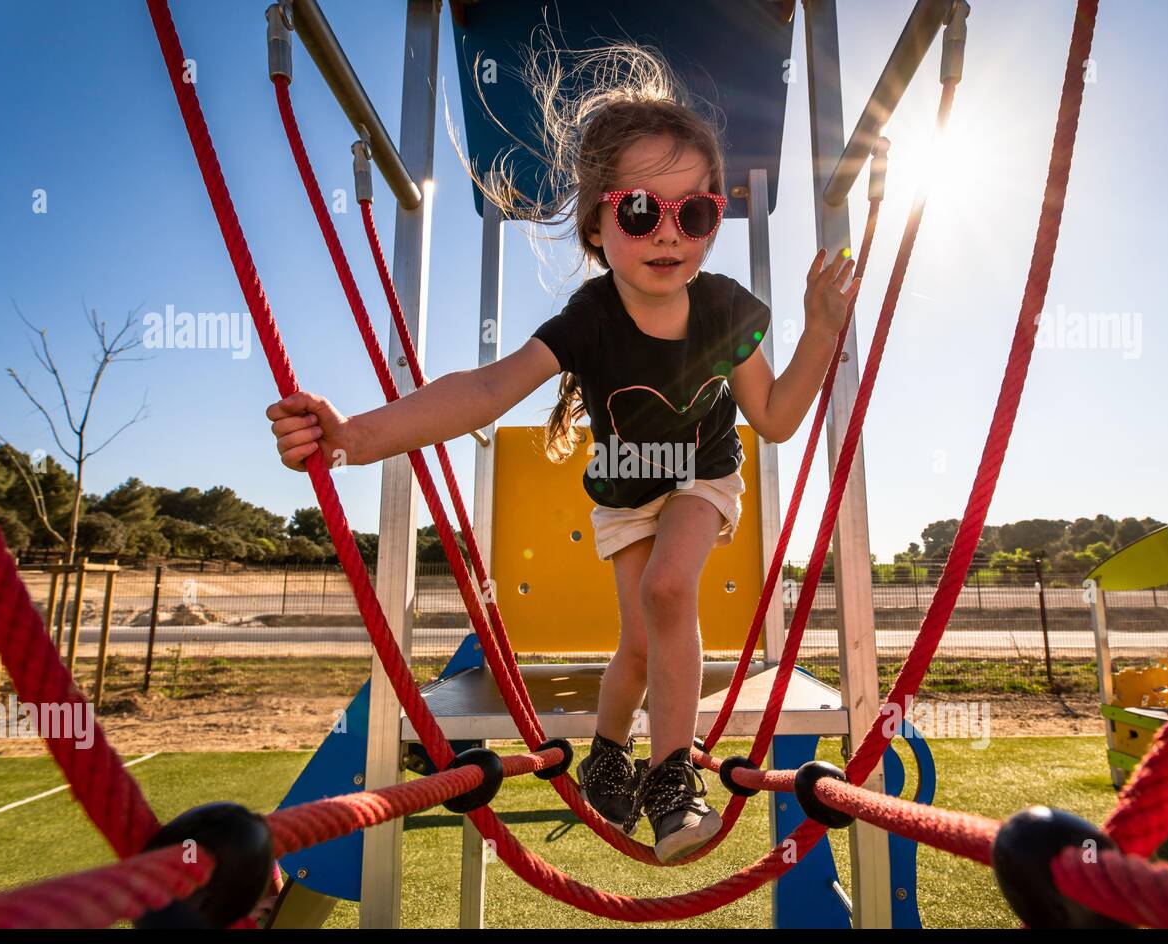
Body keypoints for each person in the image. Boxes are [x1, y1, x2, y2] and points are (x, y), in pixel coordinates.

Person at [266, 46, 857, 863]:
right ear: (597, 223)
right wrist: (356, 436)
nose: (670, 234)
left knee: (671, 585)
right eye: (642, 211)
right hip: (621, 497)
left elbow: (778, 418)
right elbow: (483, 391)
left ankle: (670, 777)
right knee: (639, 646)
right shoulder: (589, 319)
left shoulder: (726, 310)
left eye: (697, 214)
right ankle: (610, 750)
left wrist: (821, 330)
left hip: (702, 480)